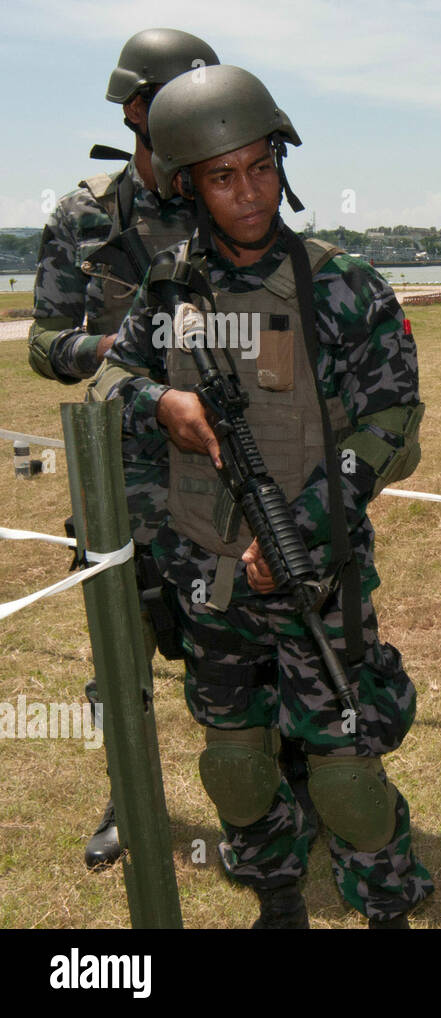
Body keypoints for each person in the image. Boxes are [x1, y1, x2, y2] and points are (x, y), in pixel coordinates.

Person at [94, 64, 432, 928]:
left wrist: (315, 518)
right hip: (210, 572)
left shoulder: (343, 283)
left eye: (261, 166)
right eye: (221, 175)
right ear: (186, 185)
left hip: (313, 564)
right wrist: (159, 403)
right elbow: (110, 382)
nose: (249, 192)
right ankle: (277, 888)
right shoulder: (169, 291)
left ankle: (386, 900)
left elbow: (395, 414)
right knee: (235, 760)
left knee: (345, 769)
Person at [29, 27, 220, 870]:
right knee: (119, 661)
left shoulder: (227, 194)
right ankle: (127, 803)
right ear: (138, 110)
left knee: (238, 652)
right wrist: (110, 355)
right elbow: (43, 342)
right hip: (120, 486)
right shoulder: (84, 216)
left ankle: (266, 808)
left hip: (218, 474)